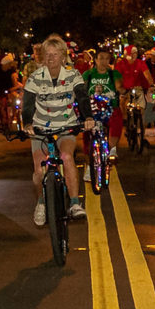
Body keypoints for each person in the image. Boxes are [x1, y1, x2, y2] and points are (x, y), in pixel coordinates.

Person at [21, 35, 94, 224]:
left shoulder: (73, 75)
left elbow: (82, 97)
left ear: (64, 57)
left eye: (55, 54)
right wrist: (27, 123)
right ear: (43, 57)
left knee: (67, 157)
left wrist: (87, 117)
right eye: (48, 55)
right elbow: (28, 104)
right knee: (39, 169)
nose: (51, 58)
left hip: (66, 127)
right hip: (40, 129)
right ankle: (41, 203)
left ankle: (75, 203)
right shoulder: (35, 77)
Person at [81, 49, 123, 181]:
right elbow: (82, 90)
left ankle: (112, 148)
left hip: (110, 107)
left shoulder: (113, 74)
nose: (104, 61)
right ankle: (89, 167)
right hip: (92, 109)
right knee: (87, 134)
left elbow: (118, 86)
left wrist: (121, 90)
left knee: (116, 119)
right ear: (96, 60)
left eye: (107, 58)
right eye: (101, 58)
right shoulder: (88, 74)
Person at [0, 53, 21, 132]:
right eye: (9, 63)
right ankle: (2, 121)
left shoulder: (11, 70)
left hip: (10, 89)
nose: (10, 65)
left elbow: (15, 79)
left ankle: (15, 115)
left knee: (16, 101)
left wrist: (15, 87)